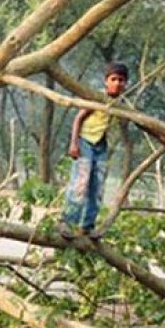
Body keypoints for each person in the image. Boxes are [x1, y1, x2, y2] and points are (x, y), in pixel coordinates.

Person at [61, 62, 129, 239]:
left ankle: (88, 226)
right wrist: (73, 144)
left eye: (121, 80)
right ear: (106, 81)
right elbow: (78, 119)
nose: (117, 83)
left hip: (100, 145)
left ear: (126, 83)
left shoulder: (121, 103)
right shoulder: (97, 97)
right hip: (85, 142)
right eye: (113, 79)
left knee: (97, 186)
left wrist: (161, 137)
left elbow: (142, 122)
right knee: (80, 183)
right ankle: (67, 222)